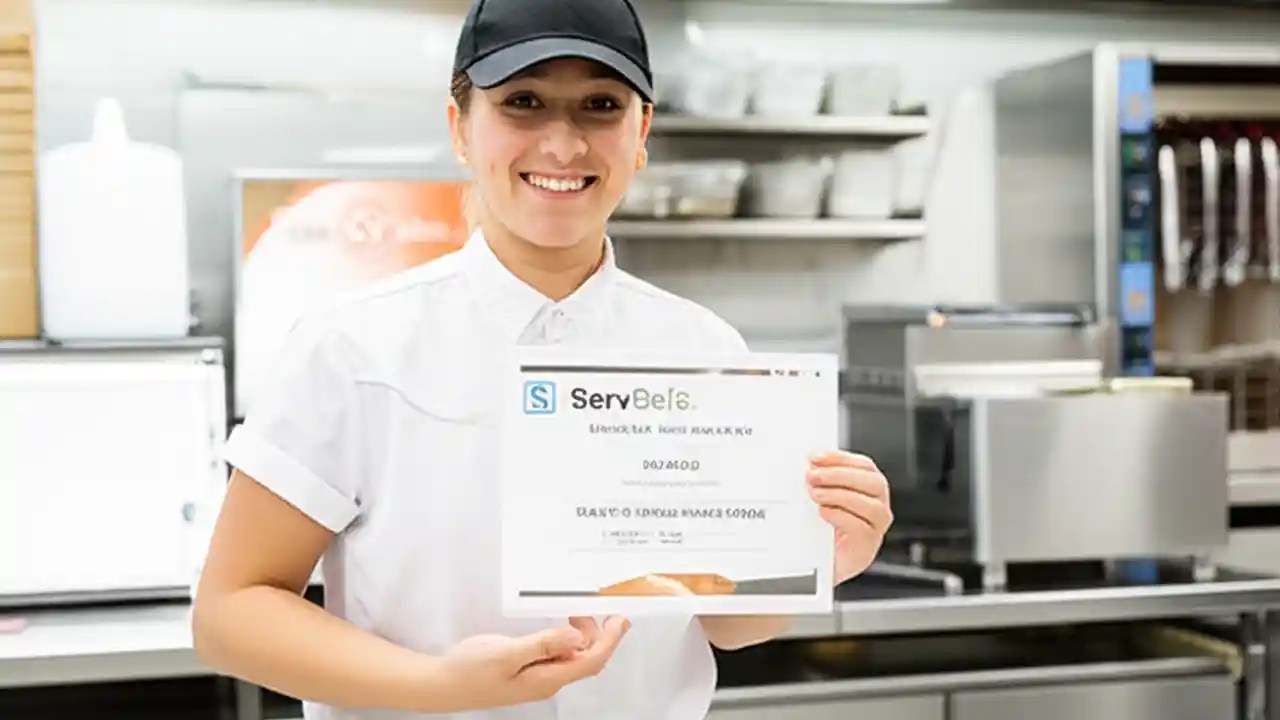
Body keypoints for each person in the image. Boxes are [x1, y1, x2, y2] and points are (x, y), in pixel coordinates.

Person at [190, 0, 893, 717]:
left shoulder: (702, 351)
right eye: (522, 102)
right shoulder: (351, 347)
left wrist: (818, 561)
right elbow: (230, 612)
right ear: (460, 127)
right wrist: (438, 687)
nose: (562, 145)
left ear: (641, 131)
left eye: (600, 105)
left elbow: (725, 621)